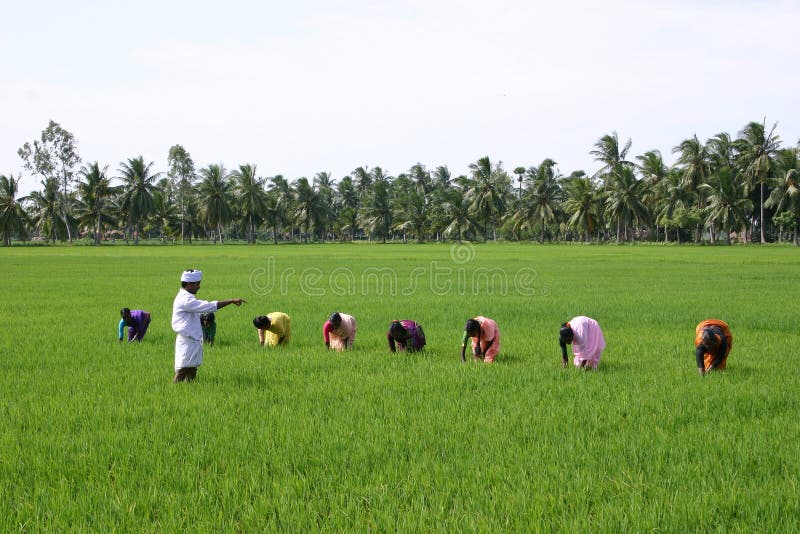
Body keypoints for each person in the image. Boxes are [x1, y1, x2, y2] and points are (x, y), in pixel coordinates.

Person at [171, 269, 246, 383]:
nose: (199, 286)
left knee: (192, 368)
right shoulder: (185, 300)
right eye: (197, 284)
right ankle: (175, 390)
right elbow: (208, 306)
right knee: (183, 369)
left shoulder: (186, 297)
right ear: (190, 284)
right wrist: (231, 301)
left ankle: (189, 390)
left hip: (193, 340)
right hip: (187, 341)